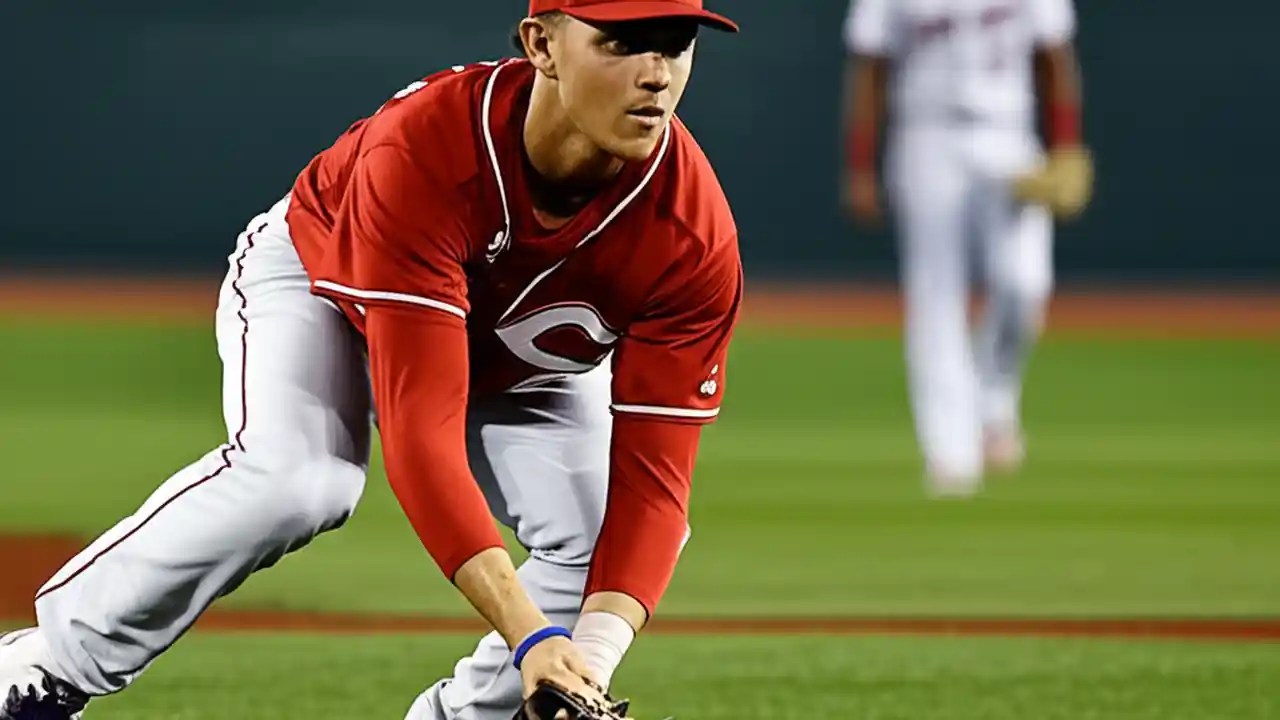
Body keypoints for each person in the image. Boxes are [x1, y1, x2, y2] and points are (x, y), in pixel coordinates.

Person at [0, 1, 741, 718]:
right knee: (301, 479)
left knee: (603, 530)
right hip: (324, 285)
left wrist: (585, 668)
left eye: (674, 45)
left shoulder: (693, 232)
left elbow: (653, 490)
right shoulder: (431, 147)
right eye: (620, 42)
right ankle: (42, 673)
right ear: (541, 46)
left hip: (508, 359)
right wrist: (534, 638)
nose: (655, 73)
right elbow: (422, 442)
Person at [841, 0, 1091, 496]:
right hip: (925, 136)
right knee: (935, 296)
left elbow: (1054, 55)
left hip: (1008, 132)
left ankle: (994, 401)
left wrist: (1064, 143)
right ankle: (949, 452)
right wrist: (861, 163)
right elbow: (869, 64)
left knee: (1024, 281)